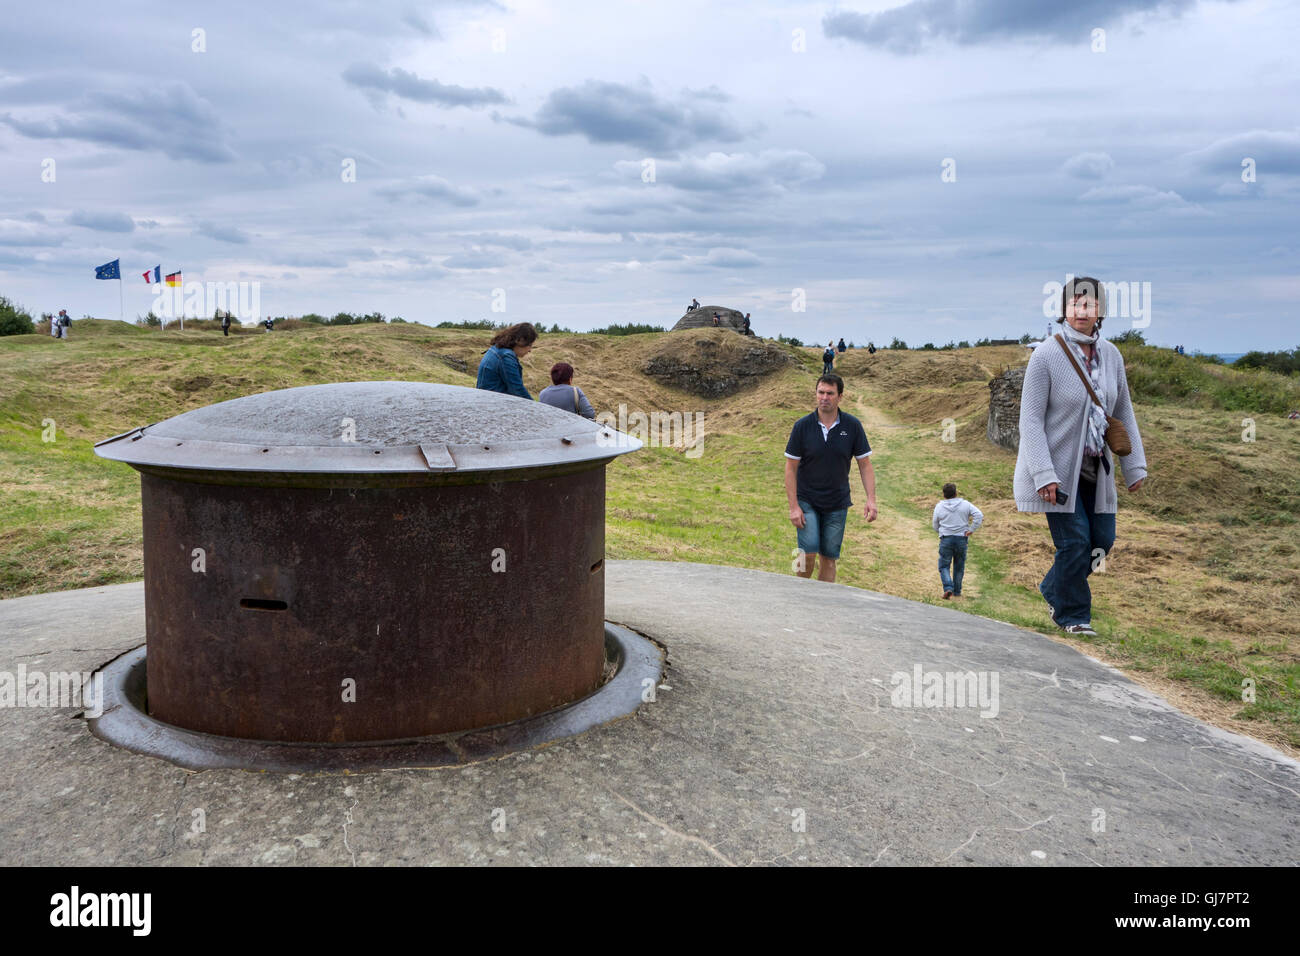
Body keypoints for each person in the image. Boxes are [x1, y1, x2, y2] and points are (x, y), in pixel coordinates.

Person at [1015, 276, 1147, 636]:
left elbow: (1124, 410)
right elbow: (1030, 419)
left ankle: (1052, 588)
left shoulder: (1112, 356)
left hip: (1096, 471)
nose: (1081, 311)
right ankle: (1072, 615)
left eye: (1089, 304)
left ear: (1100, 310)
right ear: (1064, 309)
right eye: (1075, 304)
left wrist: (1134, 467)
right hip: (1057, 472)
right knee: (1075, 543)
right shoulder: (1046, 355)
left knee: (1101, 542)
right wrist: (1043, 473)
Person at [784, 374, 877, 582]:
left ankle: (824, 604)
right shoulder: (802, 426)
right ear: (816, 394)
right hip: (807, 499)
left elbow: (865, 464)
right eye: (820, 392)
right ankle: (799, 591)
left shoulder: (852, 426)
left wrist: (871, 499)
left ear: (840, 397)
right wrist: (793, 507)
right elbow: (790, 468)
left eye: (830, 393)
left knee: (829, 557)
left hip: (837, 503)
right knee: (807, 552)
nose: (824, 397)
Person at [932, 483, 983, 599]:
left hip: (946, 538)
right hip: (961, 538)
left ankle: (948, 587)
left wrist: (940, 532)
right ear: (956, 493)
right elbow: (979, 515)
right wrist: (971, 530)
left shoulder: (939, 506)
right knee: (959, 566)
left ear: (944, 495)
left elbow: (935, 524)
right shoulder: (965, 504)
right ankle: (957, 591)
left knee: (944, 565)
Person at [475, 322, 538, 399]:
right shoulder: (506, 357)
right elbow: (517, 390)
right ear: (520, 340)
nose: (530, 350)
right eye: (529, 345)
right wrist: (536, 407)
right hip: (493, 404)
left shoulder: (496, 350)